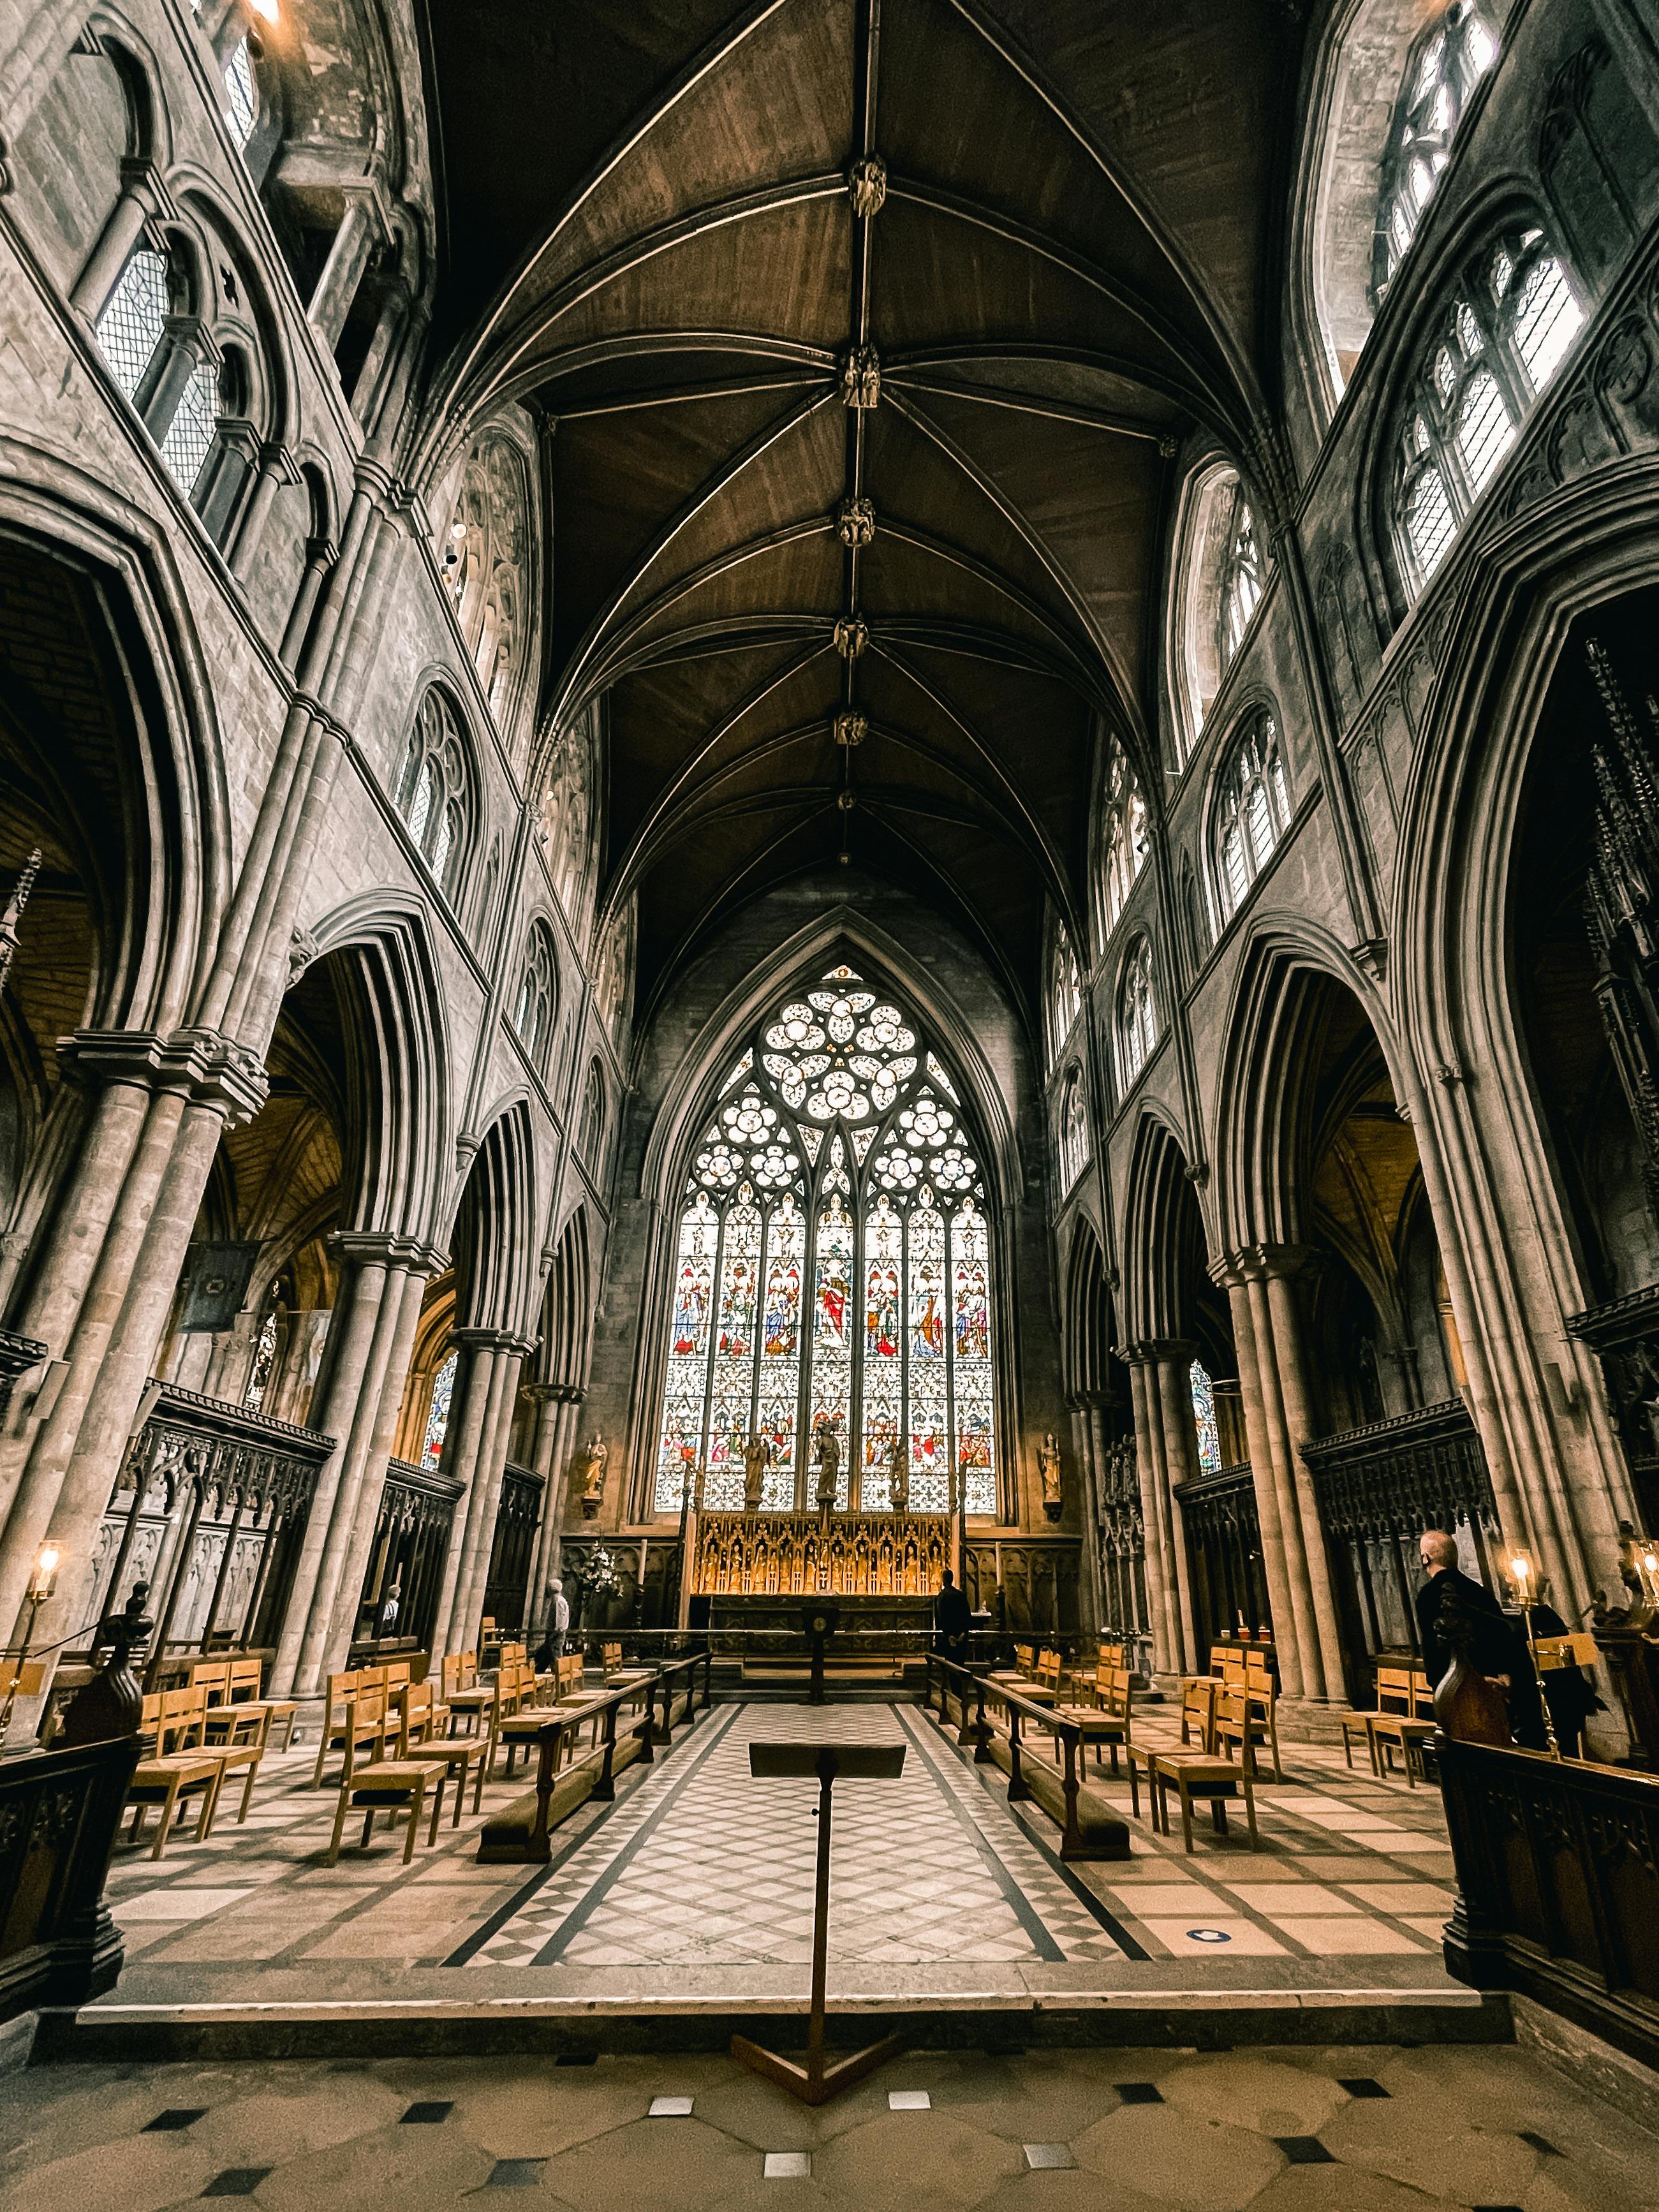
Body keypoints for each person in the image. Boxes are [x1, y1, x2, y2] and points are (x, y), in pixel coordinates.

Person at [1415, 1528, 1545, 1750]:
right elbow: (1501, 1637)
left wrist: (1437, 1684)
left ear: (1425, 1558)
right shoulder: (1479, 1591)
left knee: (1460, 1746)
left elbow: (1433, 1646)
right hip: (1494, 1685)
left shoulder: (1428, 1595)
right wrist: (1502, 1675)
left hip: (1454, 1684)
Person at [934, 1567, 971, 1662]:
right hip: (961, 1634)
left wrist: (948, 1635)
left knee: (950, 1665)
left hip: (949, 1636)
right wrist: (964, 1633)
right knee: (960, 1663)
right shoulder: (960, 1595)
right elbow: (967, 1615)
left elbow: (940, 1618)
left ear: (943, 1580)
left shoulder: (941, 1597)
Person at [533, 1575, 570, 1672]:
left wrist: (555, 1632)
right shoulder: (556, 1601)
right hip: (554, 1632)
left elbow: (559, 1618)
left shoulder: (559, 1602)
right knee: (548, 1653)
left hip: (556, 1633)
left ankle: (559, 1676)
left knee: (555, 1655)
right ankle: (538, 1670)